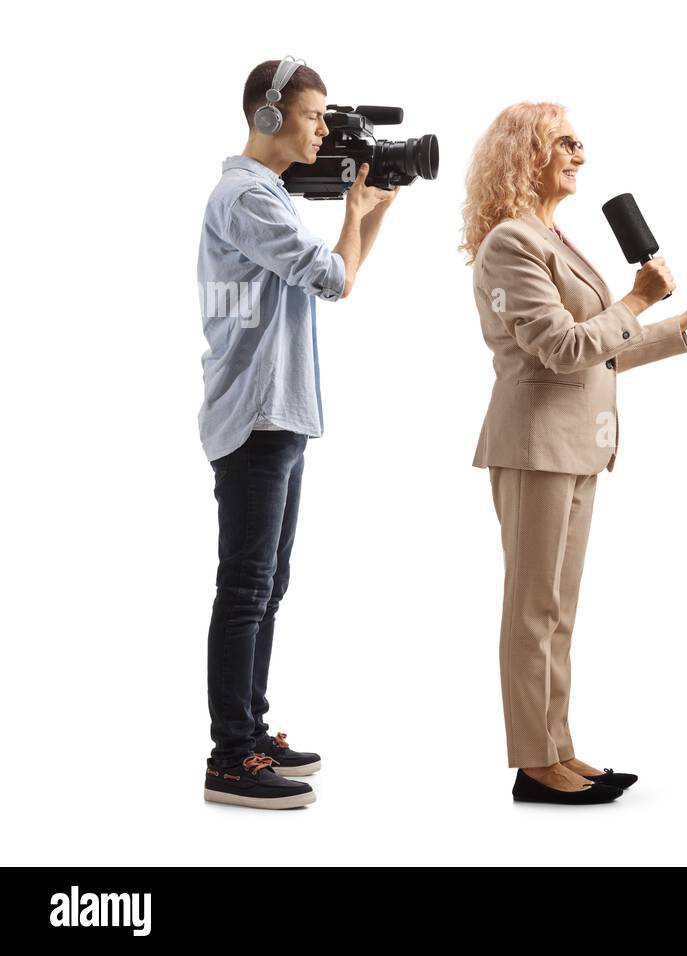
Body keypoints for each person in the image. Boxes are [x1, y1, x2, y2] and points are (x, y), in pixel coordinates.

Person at [462, 102, 687, 804]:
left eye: (579, 142)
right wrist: (637, 298)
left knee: (557, 611)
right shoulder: (511, 243)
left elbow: (602, 350)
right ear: (525, 153)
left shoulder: (552, 236)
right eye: (564, 142)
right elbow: (561, 348)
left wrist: (685, 318)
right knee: (532, 610)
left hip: (578, 446)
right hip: (534, 444)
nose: (580, 154)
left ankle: (558, 748)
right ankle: (535, 763)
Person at [197, 57, 398, 809]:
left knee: (267, 584)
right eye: (314, 117)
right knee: (246, 588)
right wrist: (352, 212)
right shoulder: (248, 197)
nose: (324, 132)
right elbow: (332, 277)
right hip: (255, 412)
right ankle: (230, 756)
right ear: (269, 116)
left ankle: (250, 731)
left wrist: (373, 209)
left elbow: (340, 274)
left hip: (277, 412)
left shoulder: (267, 195)